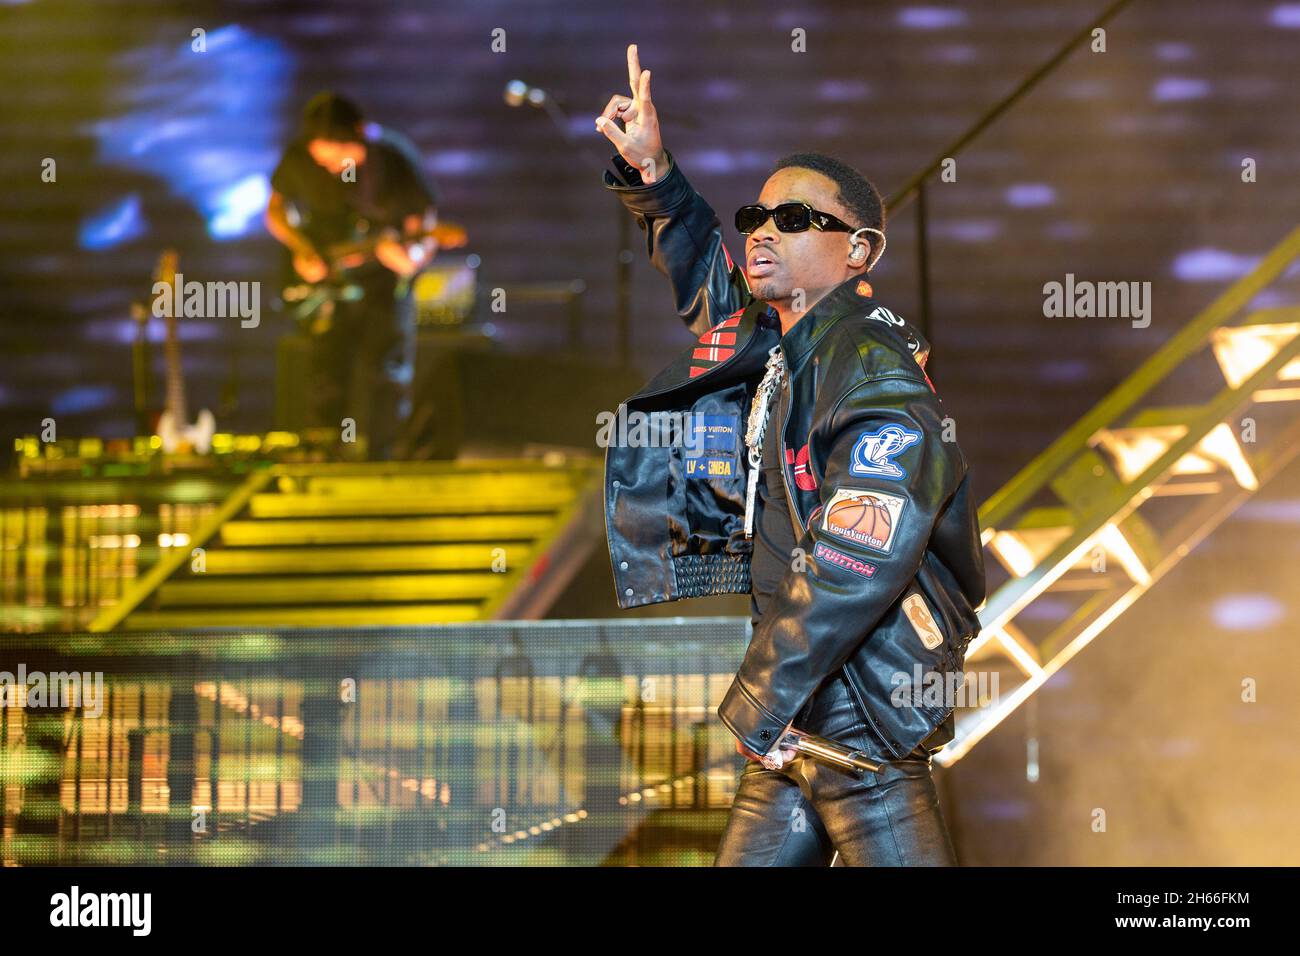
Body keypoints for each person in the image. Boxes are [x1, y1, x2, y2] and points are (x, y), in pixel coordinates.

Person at [596, 45, 986, 866]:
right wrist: (655, 173)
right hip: (807, 708)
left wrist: (762, 699)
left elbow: (859, 549)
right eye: (759, 217)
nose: (765, 231)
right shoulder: (782, 344)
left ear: (861, 251)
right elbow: (711, 282)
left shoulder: (868, 363)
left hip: (858, 713)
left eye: (797, 219)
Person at [265, 91, 438, 460]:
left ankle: (383, 461)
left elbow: (422, 223)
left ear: (360, 134)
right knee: (325, 372)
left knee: (385, 375)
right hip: (327, 286)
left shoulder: (393, 158)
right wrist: (301, 248)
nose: (333, 169)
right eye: (324, 161)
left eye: (339, 158)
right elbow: (276, 210)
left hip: (382, 283)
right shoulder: (299, 159)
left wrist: (412, 258)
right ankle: (322, 457)